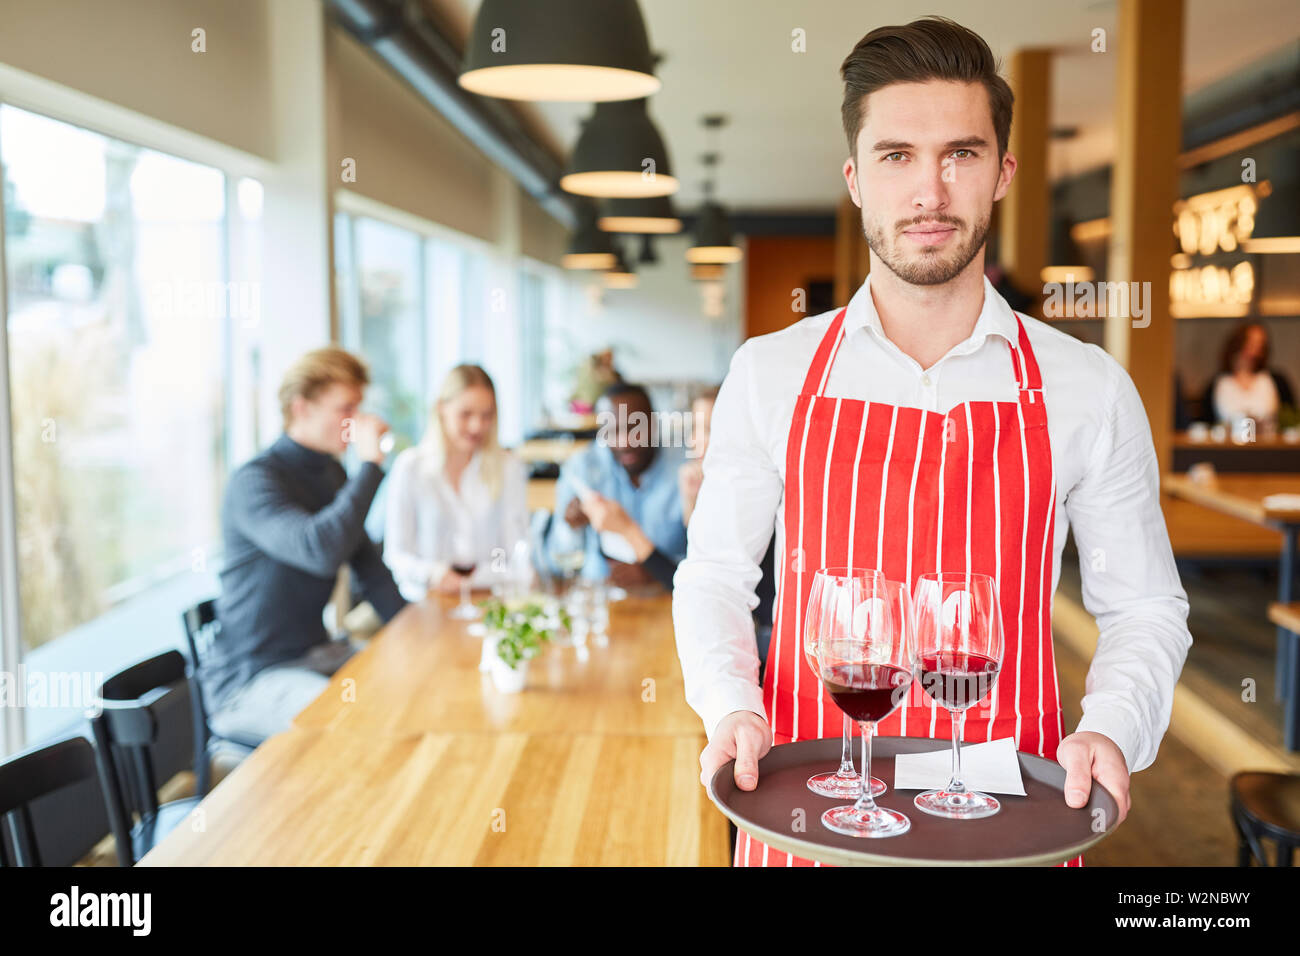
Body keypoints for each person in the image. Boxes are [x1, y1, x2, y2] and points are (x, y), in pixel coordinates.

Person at [673, 17, 1193, 867]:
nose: (930, 191)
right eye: (896, 156)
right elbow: (716, 579)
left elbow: (1143, 606)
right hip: (811, 809)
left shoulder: (1087, 386)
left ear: (1002, 173)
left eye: (960, 153)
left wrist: (1110, 729)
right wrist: (732, 706)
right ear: (855, 179)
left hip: (1013, 811)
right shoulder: (771, 372)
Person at [207, 347, 407, 744]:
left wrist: (419, 635)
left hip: (316, 657)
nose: (358, 422)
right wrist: (370, 466)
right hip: (252, 680)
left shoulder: (331, 472)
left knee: (407, 688)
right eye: (345, 409)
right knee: (353, 723)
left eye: (358, 408)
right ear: (301, 408)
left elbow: (370, 570)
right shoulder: (255, 482)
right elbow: (321, 551)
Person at [382, 364, 530, 601]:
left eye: (487, 415)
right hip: (425, 601)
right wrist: (432, 573)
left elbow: (515, 553)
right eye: (466, 414)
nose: (477, 426)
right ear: (441, 409)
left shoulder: (508, 467)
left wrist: (482, 577)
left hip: (488, 598)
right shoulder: (410, 467)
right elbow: (397, 554)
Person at [546, 382, 687, 589]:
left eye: (635, 429)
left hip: (666, 597)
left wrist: (656, 571)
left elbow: (707, 564)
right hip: (599, 596)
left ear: (654, 424)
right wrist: (571, 527)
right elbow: (554, 562)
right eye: (611, 431)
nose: (624, 442)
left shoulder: (684, 470)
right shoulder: (583, 468)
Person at [1201, 321, 1296, 432]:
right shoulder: (1218, 384)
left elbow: (1291, 420)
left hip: (1270, 445)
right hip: (1228, 447)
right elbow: (1205, 425)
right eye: (1250, 343)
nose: (1254, 351)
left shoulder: (1275, 381)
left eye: (1260, 345)